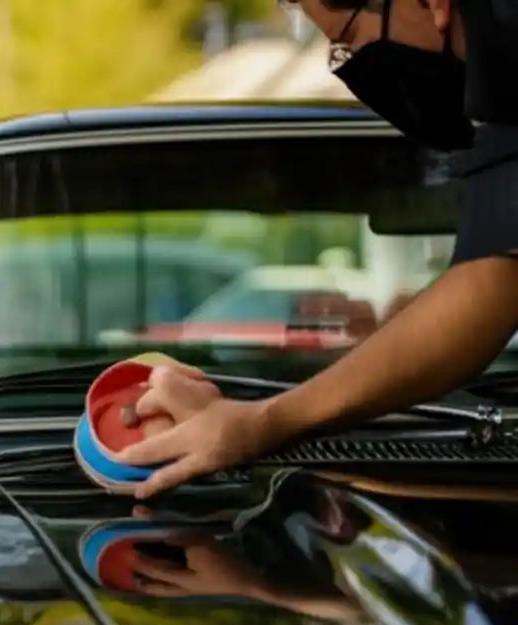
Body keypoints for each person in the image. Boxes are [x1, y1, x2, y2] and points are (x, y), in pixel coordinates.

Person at [114, 0, 518, 499]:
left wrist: (261, 422)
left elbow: (488, 287)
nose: (355, 67)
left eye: (348, 38)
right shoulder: (504, 87)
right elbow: (492, 269)